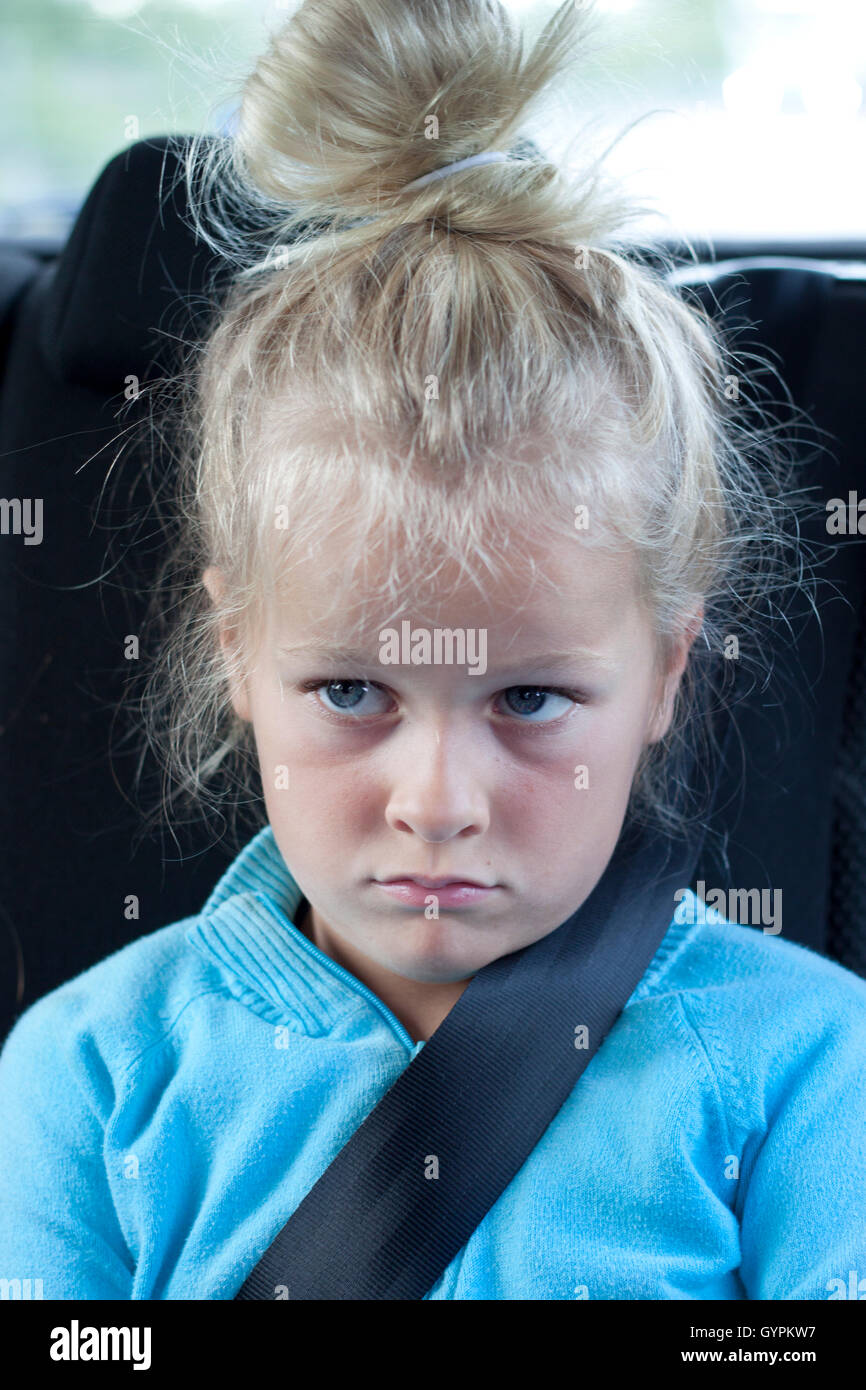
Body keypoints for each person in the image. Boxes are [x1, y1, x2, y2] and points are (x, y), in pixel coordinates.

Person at [1, 0, 864, 1301]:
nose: (437, 803)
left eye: (528, 697)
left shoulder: (810, 1070)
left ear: (667, 670)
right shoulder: (90, 1077)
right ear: (235, 652)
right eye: (350, 690)